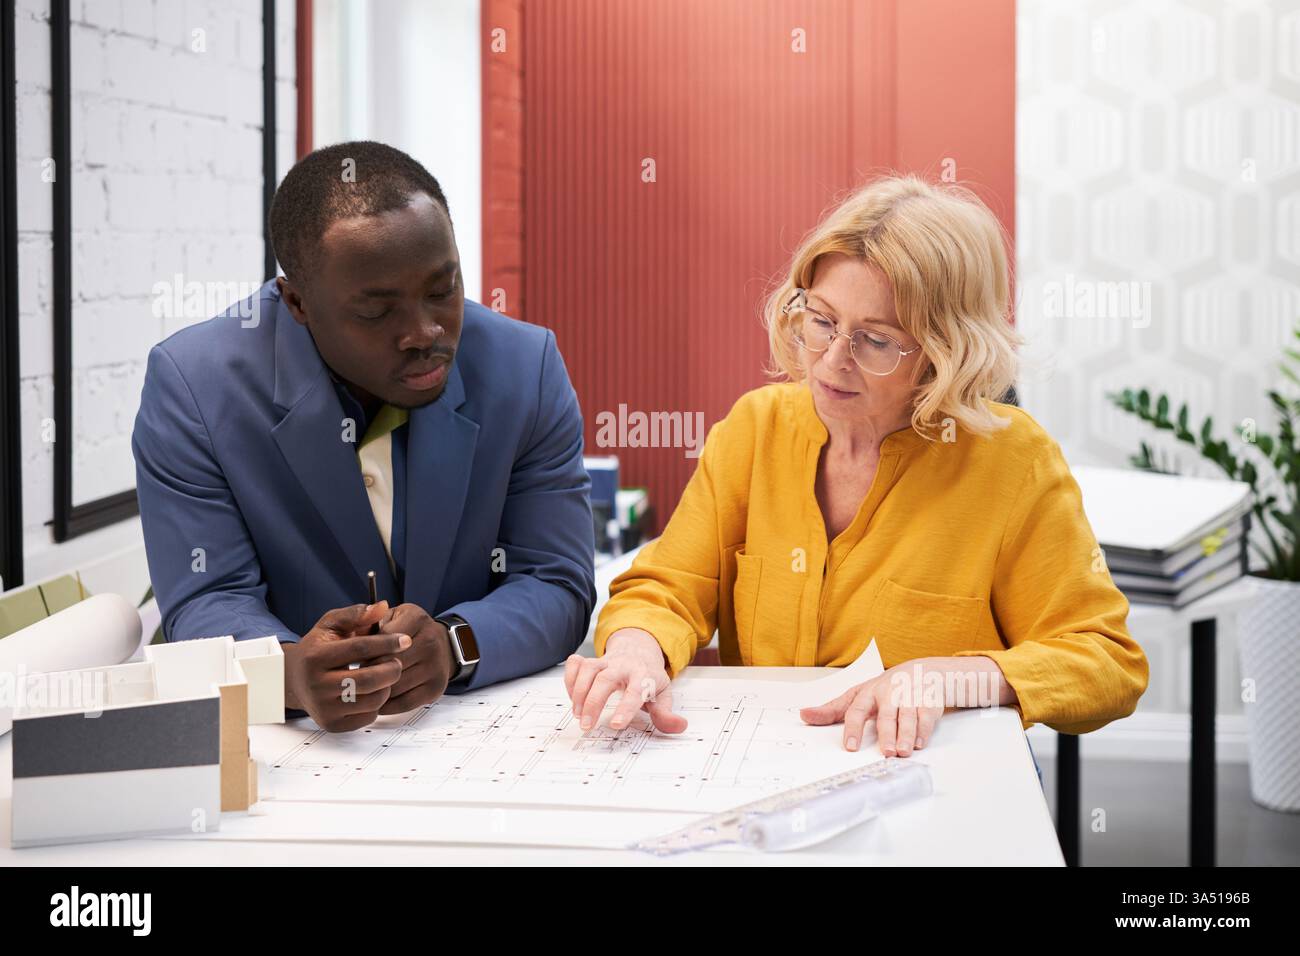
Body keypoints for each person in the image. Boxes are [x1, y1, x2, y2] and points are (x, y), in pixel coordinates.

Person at [566, 174, 1148, 758]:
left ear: (948, 352)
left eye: (876, 340)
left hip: (935, 785)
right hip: (761, 773)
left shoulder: (1013, 462)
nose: (832, 360)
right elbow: (667, 588)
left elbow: (1104, 661)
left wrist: (952, 677)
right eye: (821, 320)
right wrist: (637, 650)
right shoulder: (756, 428)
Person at [133, 141, 595, 732]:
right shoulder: (194, 387)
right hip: (296, 758)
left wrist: (456, 643)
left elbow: (556, 579)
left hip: (475, 740)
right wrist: (291, 673)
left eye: (442, 289)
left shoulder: (523, 366)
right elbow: (204, 599)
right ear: (295, 300)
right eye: (377, 313)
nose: (425, 332)